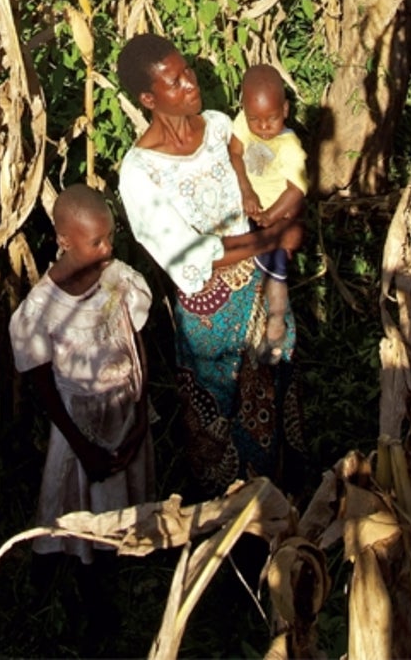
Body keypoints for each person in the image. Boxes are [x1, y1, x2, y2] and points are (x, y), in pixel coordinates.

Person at [116, 34, 306, 495]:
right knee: (222, 422)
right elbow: (188, 256)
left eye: (188, 72)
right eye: (175, 81)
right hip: (210, 315)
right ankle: (232, 523)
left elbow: (273, 177)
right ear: (148, 99)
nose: (190, 84)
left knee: (276, 398)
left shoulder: (222, 128)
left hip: (263, 288)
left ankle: (291, 511)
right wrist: (269, 240)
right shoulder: (139, 173)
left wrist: (285, 217)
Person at [8, 183, 155, 563]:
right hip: (78, 426)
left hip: (125, 408)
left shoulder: (118, 279)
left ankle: (131, 556)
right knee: (86, 507)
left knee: (129, 493)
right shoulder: (42, 307)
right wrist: (81, 446)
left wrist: (141, 414)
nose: (108, 249)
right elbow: (43, 384)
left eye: (110, 237)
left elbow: (136, 343)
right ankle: (89, 572)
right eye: (96, 242)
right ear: (64, 241)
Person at [231, 64, 307, 360]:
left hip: (275, 219)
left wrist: (270, 217)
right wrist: (246, 191)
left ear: (285, 110)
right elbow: (235, 153)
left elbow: (295, 191)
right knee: (248, 272)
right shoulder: (243, 123)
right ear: (245, 112)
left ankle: (276, 327)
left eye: (271, 118)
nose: (263, 127)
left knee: (275, 276)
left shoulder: (289, 147)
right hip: (249, 211)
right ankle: (249, 327)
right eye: (255, 119)